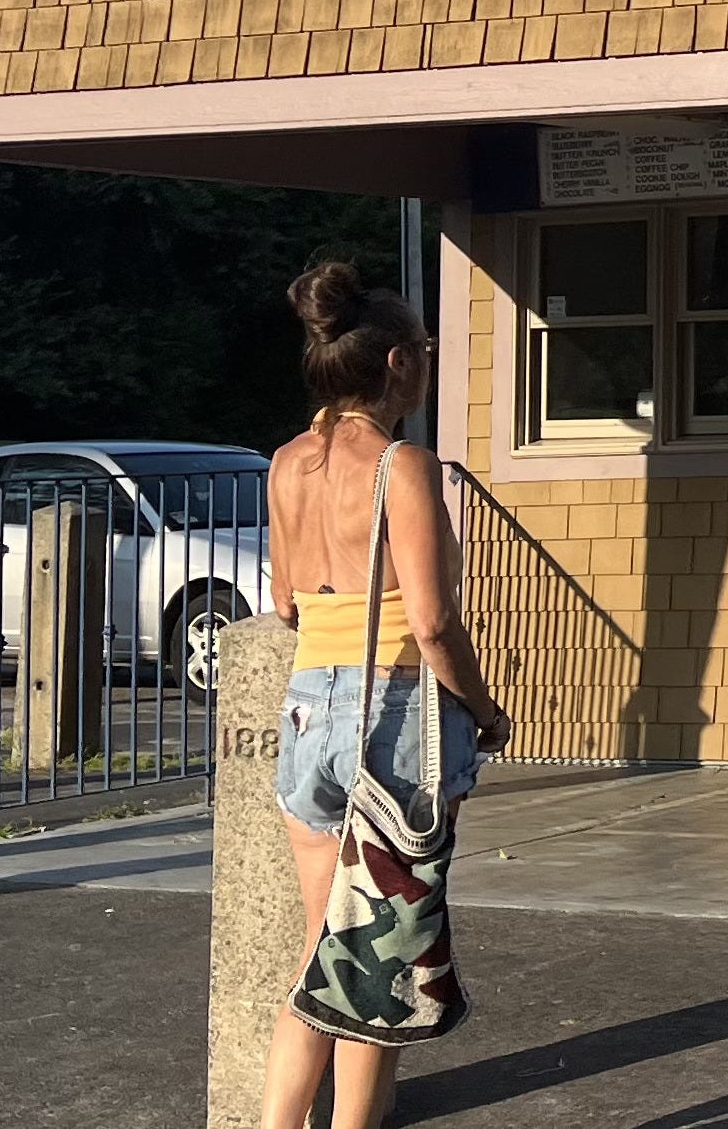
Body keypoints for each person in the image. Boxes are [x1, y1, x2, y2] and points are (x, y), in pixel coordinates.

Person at [261, 255, 512, 1129]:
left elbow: (285, 601)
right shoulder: (402, 465)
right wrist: (485, 711)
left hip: (308, 707)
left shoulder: (286, 461)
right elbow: (433, 624)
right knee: (379, 958)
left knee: (320, 947)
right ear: (399, 362)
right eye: (426, 351)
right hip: (394, 709)